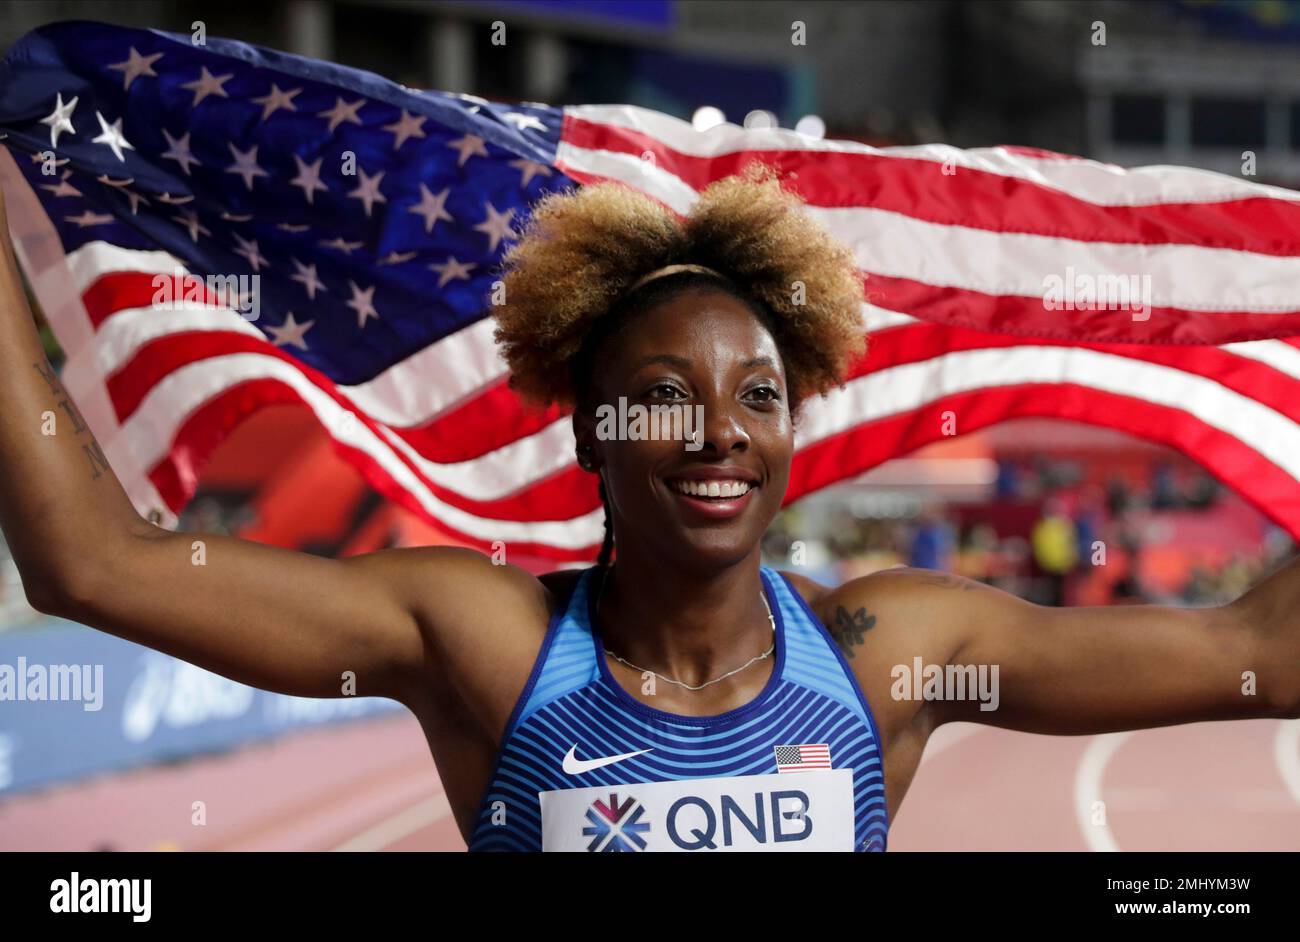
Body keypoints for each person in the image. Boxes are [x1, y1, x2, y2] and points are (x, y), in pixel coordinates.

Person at [1, 166, 1297, 853]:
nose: (721, 428)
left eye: (758, 394)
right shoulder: (490, 641)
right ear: (590, 430)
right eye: (665, 395)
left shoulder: (888, 656)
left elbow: (1260, 655)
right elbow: (94, 565)